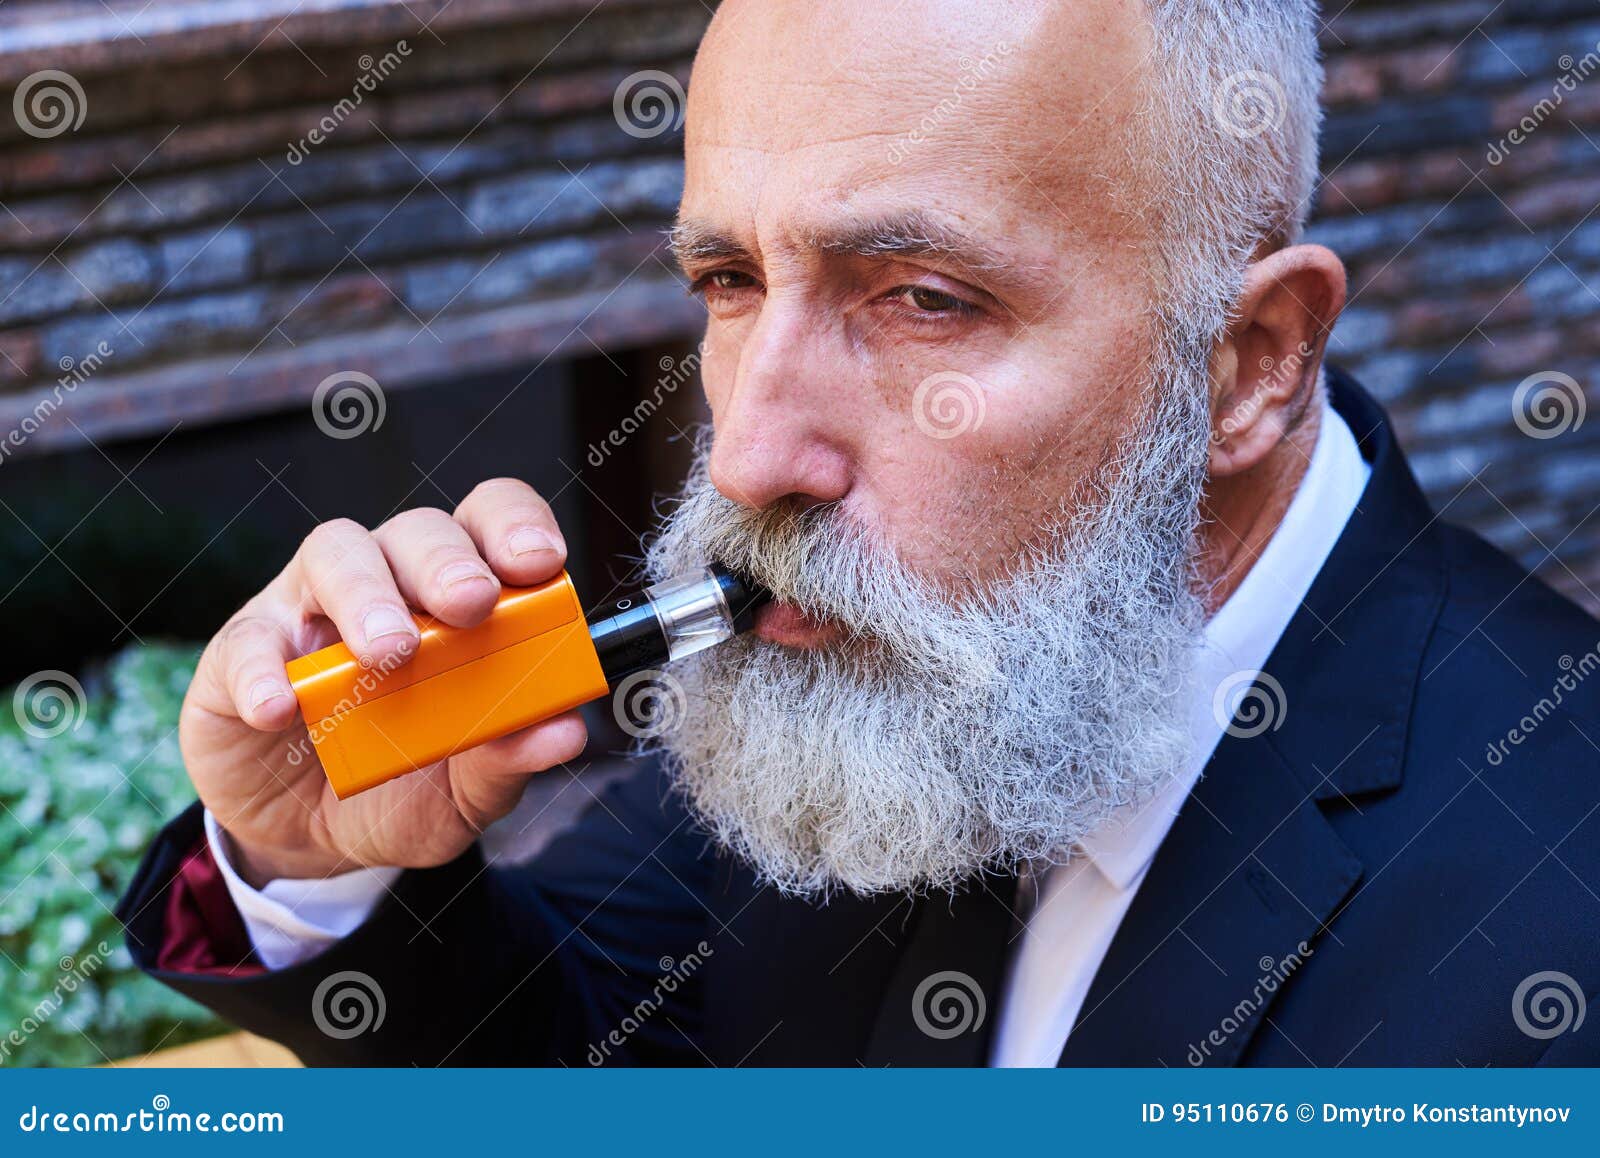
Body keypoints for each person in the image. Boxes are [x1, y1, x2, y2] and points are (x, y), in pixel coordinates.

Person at [119, 0, 1599, 1065]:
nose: (752, 452)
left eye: (923, 300)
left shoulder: (1555, 925)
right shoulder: (869, 672)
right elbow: (564, 1048)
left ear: (1251, 362)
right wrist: (308, 859)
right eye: (731, 281)